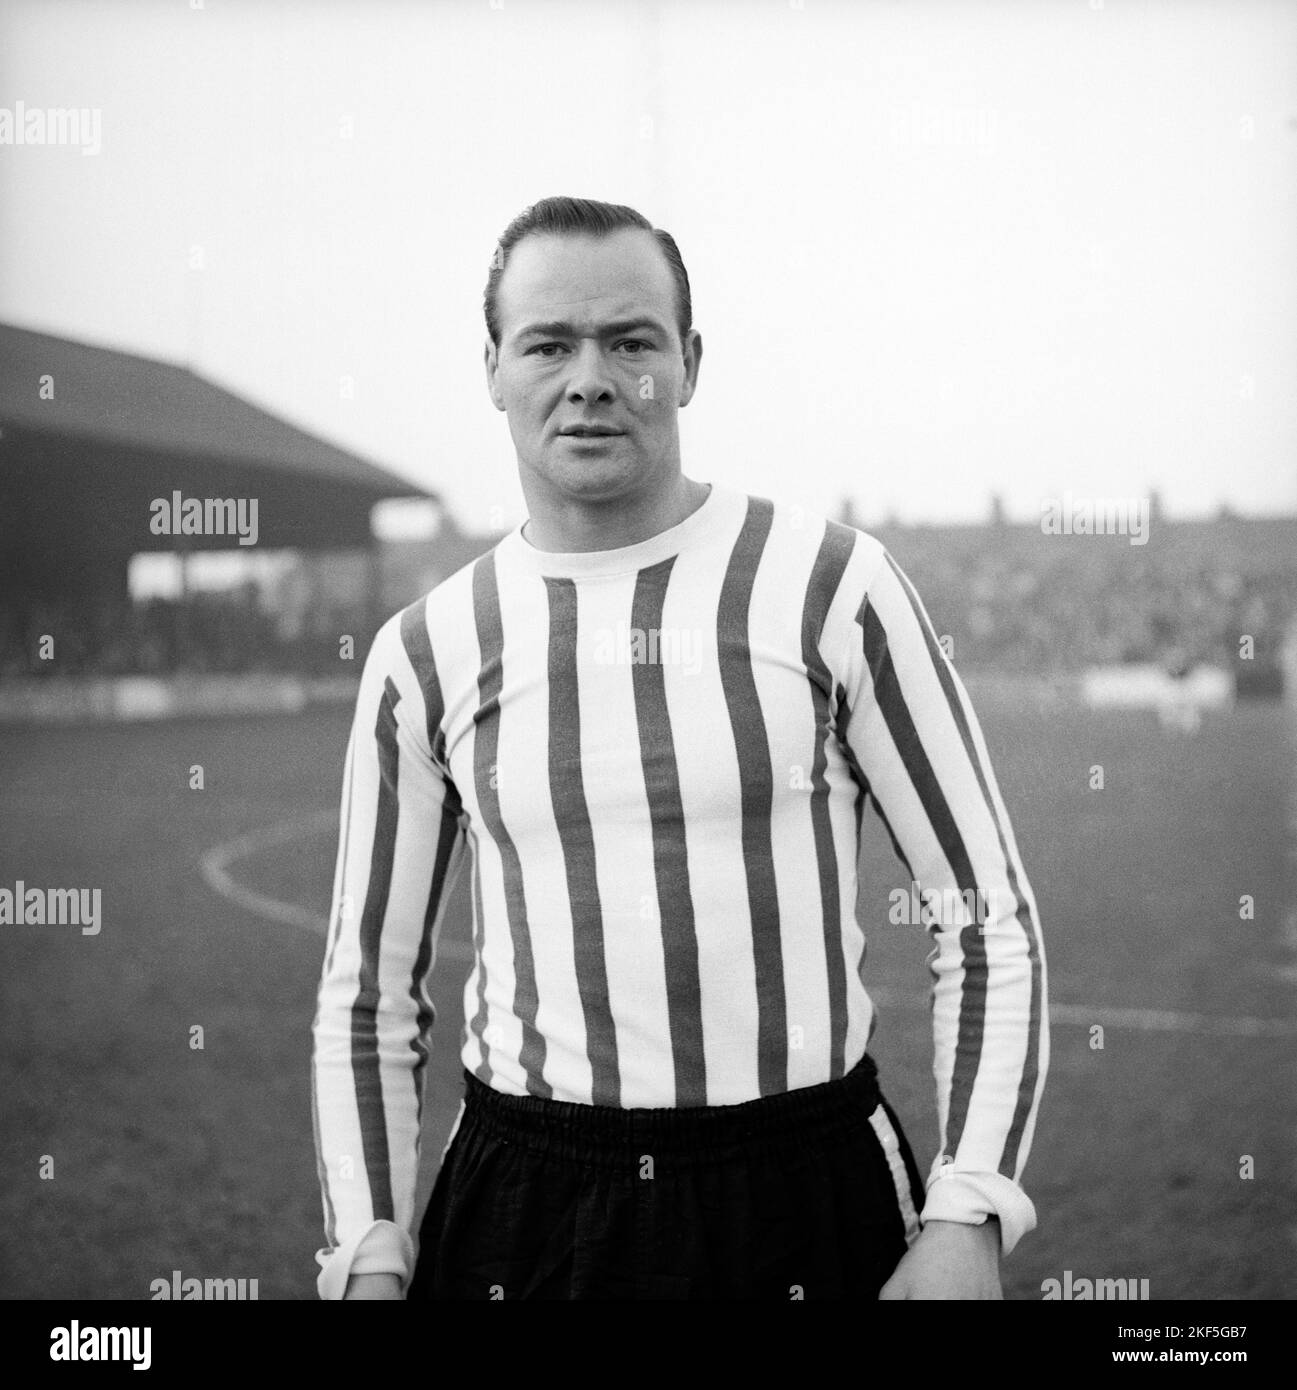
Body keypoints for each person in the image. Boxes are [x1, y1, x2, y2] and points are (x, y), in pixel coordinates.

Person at [310, 196, 1047, 1301]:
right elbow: (366, 994)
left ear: (688, 362)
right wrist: (368, 1255)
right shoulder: (424, 651)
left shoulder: (832, 586)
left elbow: (985, 914)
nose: (591, 376)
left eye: (631, 340)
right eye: (549, 343)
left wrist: (969, 1210)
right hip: (528, 1207)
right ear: (494, 368)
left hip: (805, 1191)